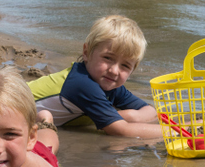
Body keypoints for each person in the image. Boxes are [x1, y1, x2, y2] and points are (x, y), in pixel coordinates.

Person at [29, 15, 162, 139]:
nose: (114, 71)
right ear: (86, 53)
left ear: (133, 70)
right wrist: (177, 131)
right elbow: (121, 130)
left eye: (125, 66)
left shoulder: (110, 84)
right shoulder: (82, 83)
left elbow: (151, 112)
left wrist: (128, 116)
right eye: (108, 58)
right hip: (12, 107)